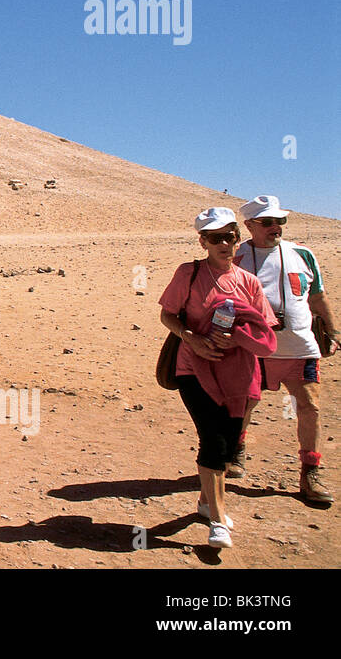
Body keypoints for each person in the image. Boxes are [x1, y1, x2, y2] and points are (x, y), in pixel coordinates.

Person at [160, 207, 278, 548]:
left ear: (237, 240)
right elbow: (168, 315)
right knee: (212, 439)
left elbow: (263, 328)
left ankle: (205, 501)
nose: (224, 243)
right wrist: (192, 337)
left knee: (226, 445)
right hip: (193, 368)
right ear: (203, 242)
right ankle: (218, 520)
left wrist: (240, 335)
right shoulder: (189, 274)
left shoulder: (249, 282)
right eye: (216, 238)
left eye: (230, 236)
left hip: (237, 373)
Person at [231, 195, 340, 503]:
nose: (275, 227)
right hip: (255, 349)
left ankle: (310, 472)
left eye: (280, 221)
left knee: (309, 408)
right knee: (244, 405)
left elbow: (317, 297)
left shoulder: (303, 255)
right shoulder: (235, 257)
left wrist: (332, 330)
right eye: (267, 222)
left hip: (299, 347)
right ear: (249, 225)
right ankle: (237, 451)